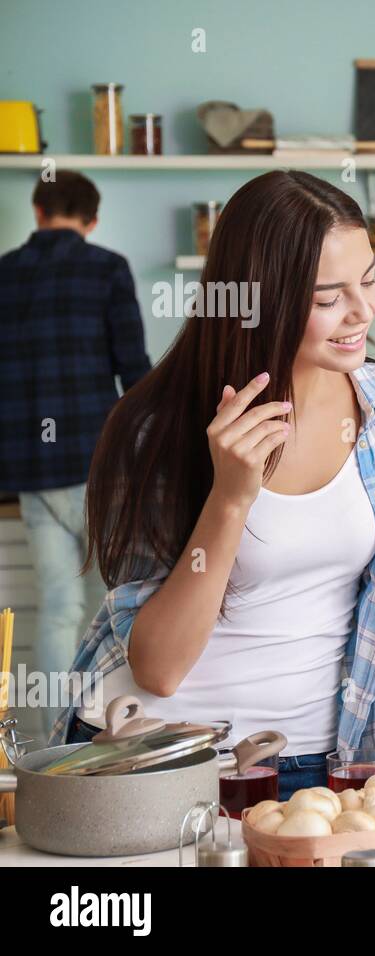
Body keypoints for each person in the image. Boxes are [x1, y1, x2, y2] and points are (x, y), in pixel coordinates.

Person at [48, 170, 375, 797]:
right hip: (160, 765)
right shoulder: (156, 429)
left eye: (368, 279)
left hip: (324, 767)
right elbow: (160, 666)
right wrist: (230, 497)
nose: (364, 311)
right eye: (326, 297)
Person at [0, 170, 150, 737]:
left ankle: (49, 746)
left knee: (58, 606)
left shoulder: (5, 275)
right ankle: (117, 738)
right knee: (118, 603)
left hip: (32, 474)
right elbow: (133, 372)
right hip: (99, 464)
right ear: (91, 220)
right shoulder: (107, 268)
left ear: (39, 211)